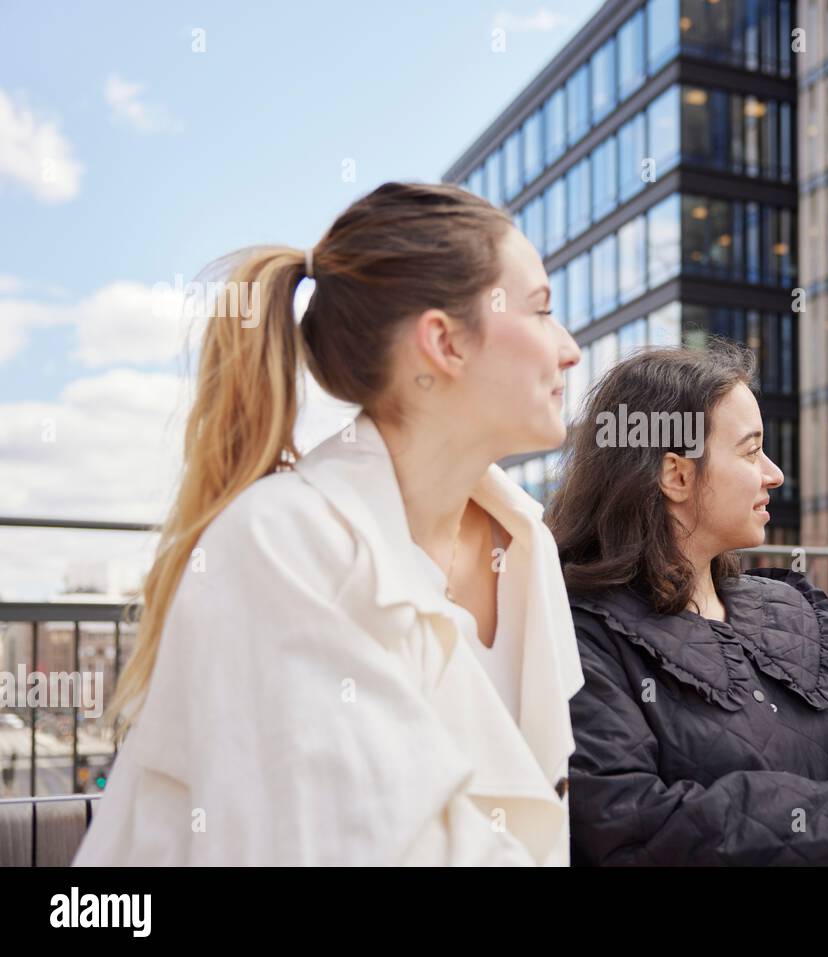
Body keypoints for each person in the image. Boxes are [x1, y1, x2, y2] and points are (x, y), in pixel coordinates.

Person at [75, 182, 583, 865]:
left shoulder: (525, 546)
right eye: (542, 310)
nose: (570, 348)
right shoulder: (281, 544)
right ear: (444, 343)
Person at [548, 341, 828, 865]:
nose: (773, 473)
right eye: (751, 451)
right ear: (676, 475)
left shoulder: (796, 612)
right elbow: (627, 826)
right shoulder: (580, 632)